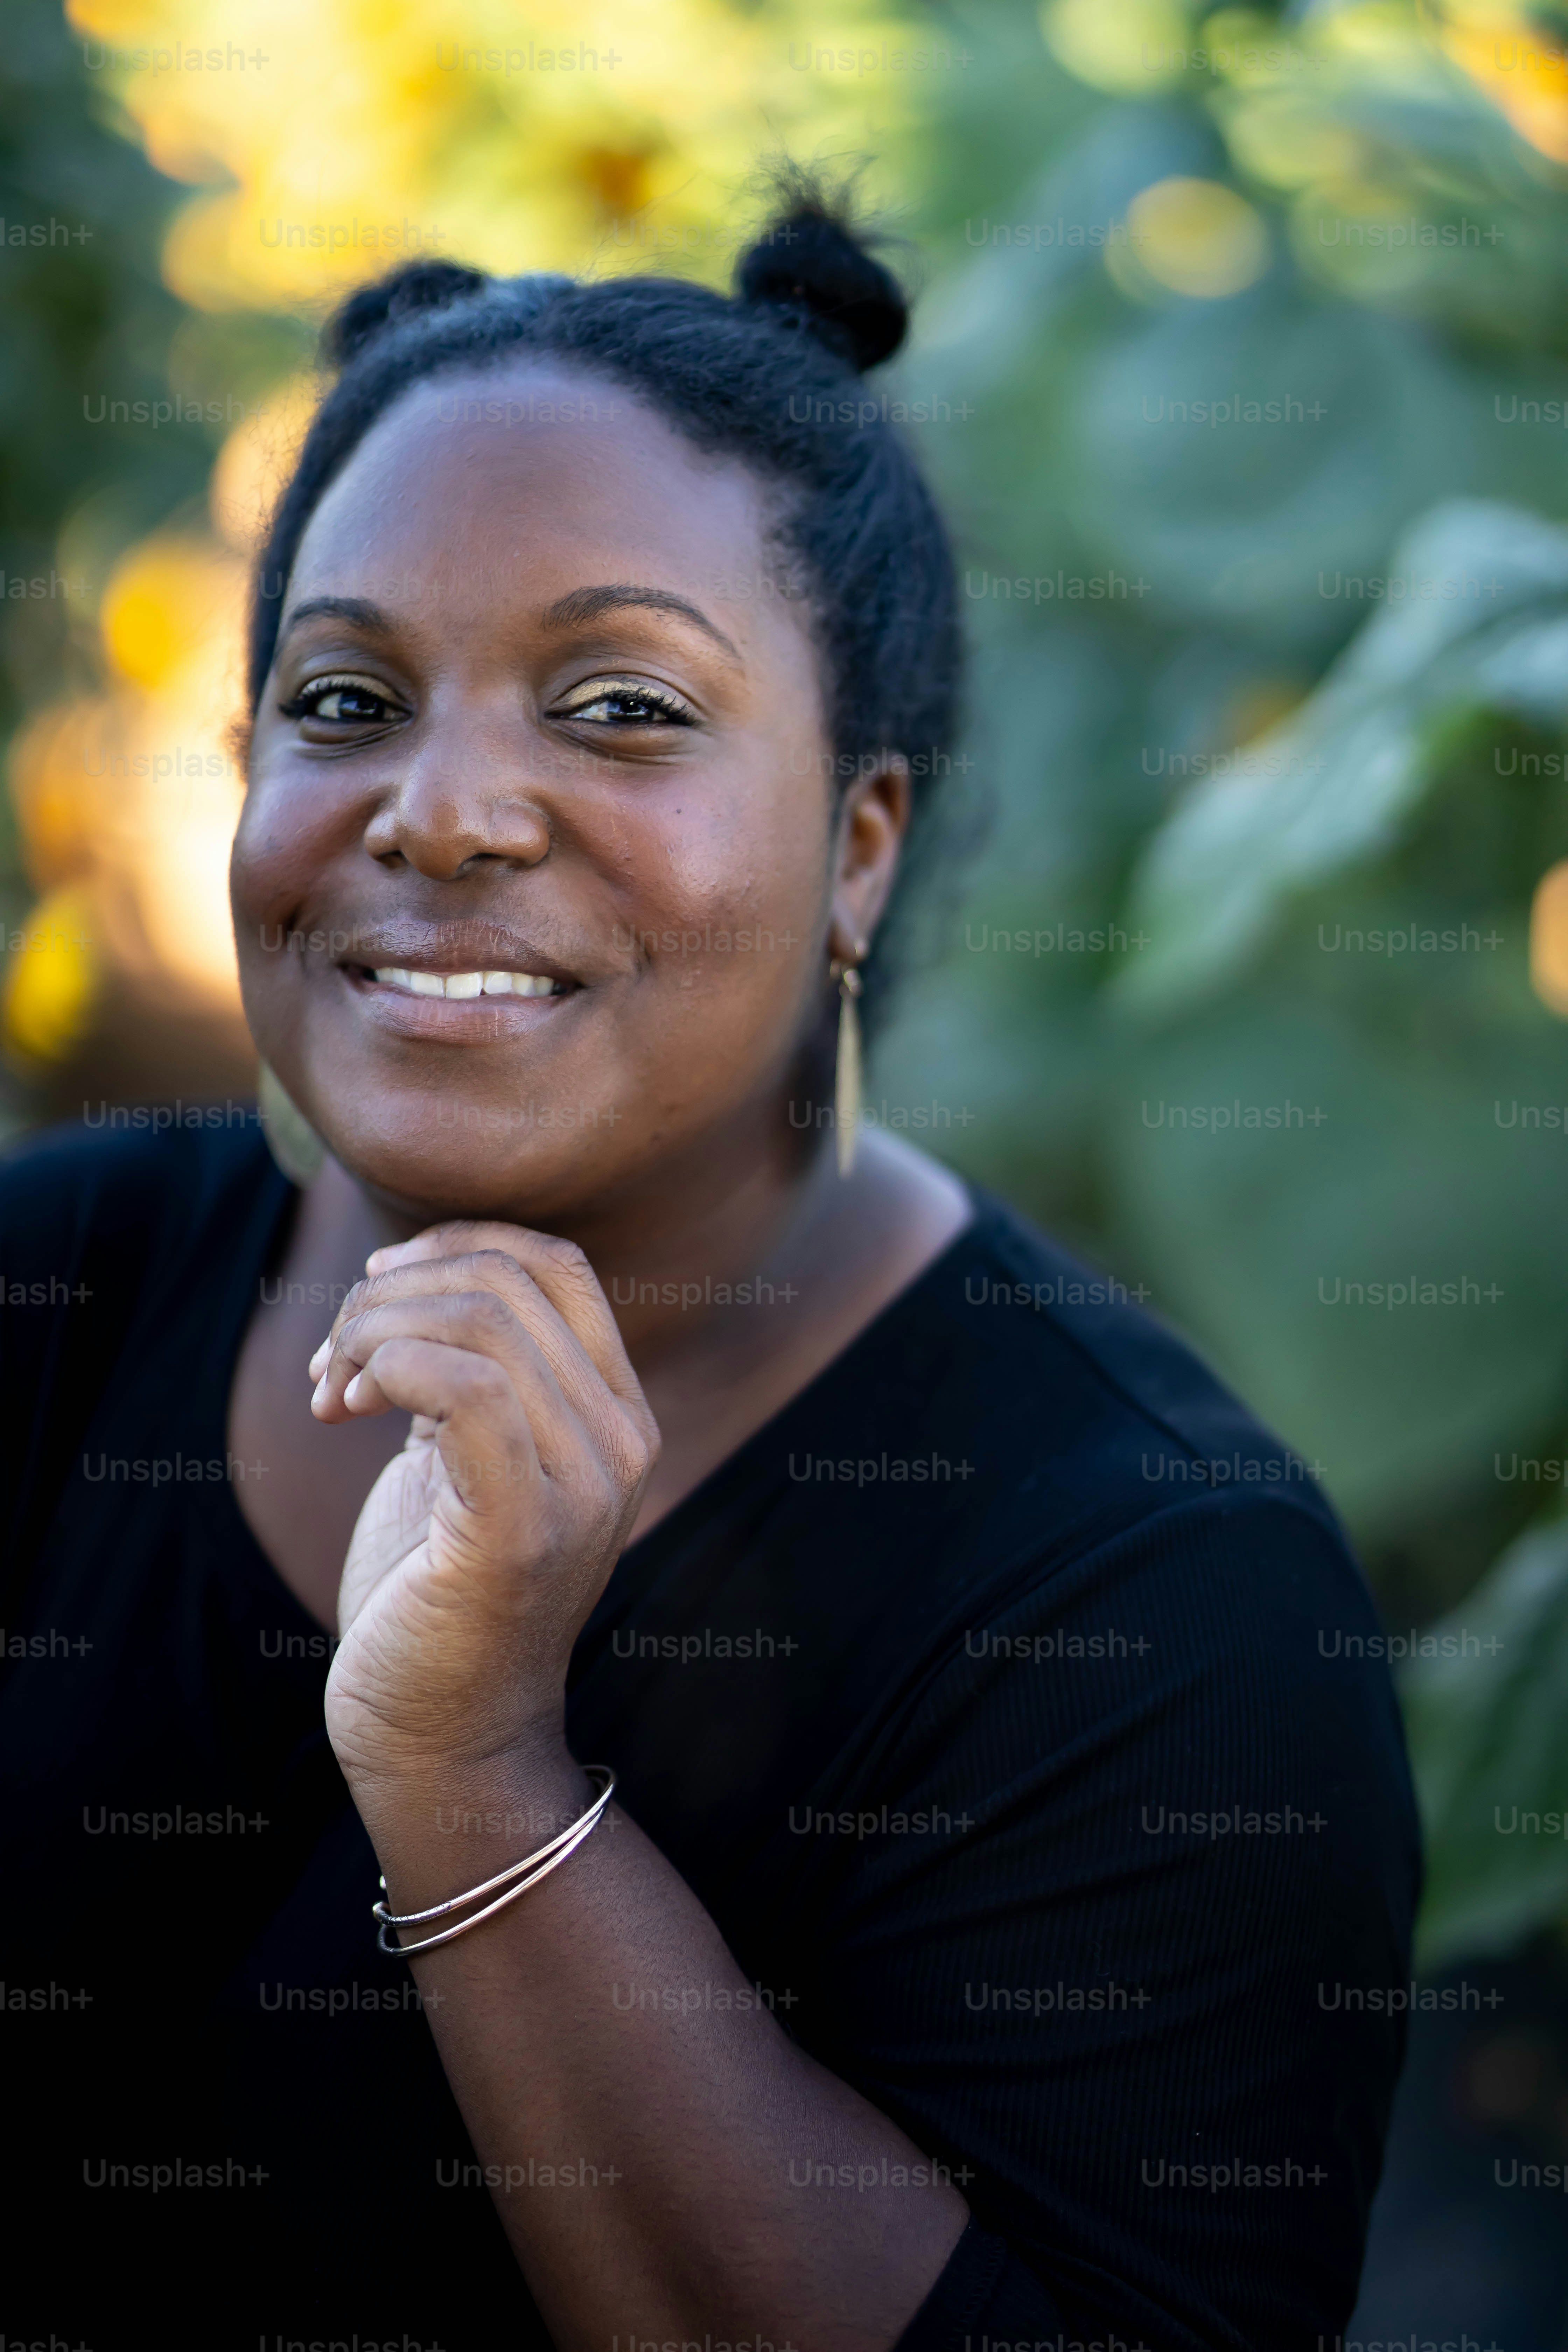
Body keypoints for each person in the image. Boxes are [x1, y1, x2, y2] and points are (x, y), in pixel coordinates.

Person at [1, 178, 1418, 2352]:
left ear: (860, 842)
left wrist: (476, 1769)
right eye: (349, 700)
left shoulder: (1153, 1593)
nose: (444, 812)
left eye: (623, 708)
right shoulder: (58, 1293)